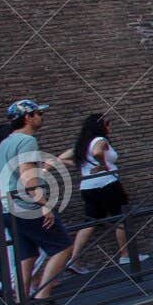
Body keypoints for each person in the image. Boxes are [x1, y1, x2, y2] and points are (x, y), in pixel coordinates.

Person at [0, 100, 73, 305]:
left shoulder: (5, 143)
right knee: (63, 247)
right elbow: (27, 178)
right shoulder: (27, 141)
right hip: (26, 205)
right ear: (27, 117)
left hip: (7, 206)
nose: (41, 116)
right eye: (38, 113)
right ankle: (42, 298)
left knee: (25, 256)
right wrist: (45, 205)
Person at [62, 113, 134, 274]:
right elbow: (97, 152)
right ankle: (125, 255)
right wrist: (104, 166)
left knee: (90, 222)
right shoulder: (100, 141)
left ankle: (74, 260)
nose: (109, 126)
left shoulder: (82, 144)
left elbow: (60, 158)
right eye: (107, 123)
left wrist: (82, 166)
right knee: (121, 218)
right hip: (107, 184)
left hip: (87, 187)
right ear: (100, 126)